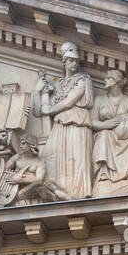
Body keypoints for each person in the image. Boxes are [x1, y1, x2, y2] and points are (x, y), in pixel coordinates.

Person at [37, 41, 93, 199]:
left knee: (75, 156)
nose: (74, 63)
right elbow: (55, 102)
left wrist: (50, 109)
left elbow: (69, 101)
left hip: (77, 122)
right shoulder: (60, 83)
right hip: (61, 123)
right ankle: (59, 190)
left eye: (76, 60)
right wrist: (44, 93)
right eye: (70, 60)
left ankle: (78, 192)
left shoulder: (83, 80)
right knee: (56, 156)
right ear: (64, 62)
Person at [90, 70, 128, 197]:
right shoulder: (99, 100)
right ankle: (104, 176)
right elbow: (92, 121)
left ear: (117, 82)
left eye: (108, 78)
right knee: (104, 135)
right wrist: (105, 125)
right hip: (109, 136)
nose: (105, 80)